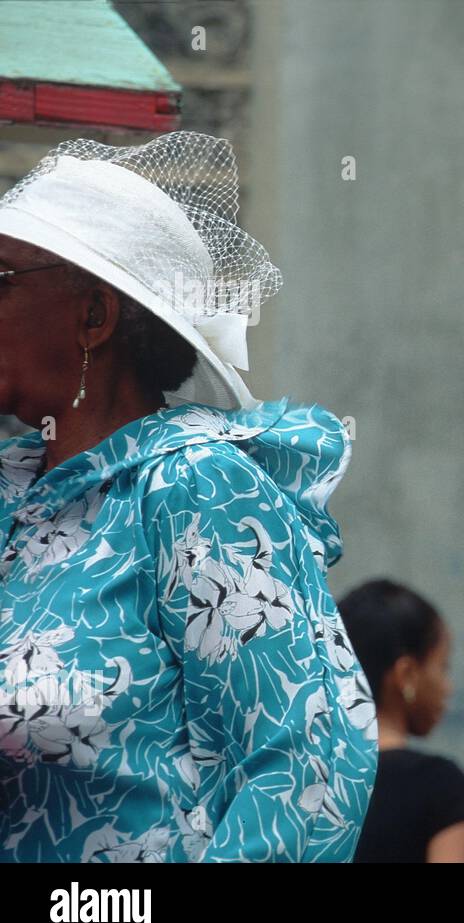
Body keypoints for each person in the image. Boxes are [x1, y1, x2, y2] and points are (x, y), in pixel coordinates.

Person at [0, 132, 377, 861]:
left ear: (93, 319)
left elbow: (312, 768)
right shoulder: (18, 492)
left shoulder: (194, 484)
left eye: (1, 280)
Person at [344, 579, 464, 863]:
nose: (448, 687)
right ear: (406, 675)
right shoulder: (441, 785)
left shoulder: (308, 780)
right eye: (442, 666)